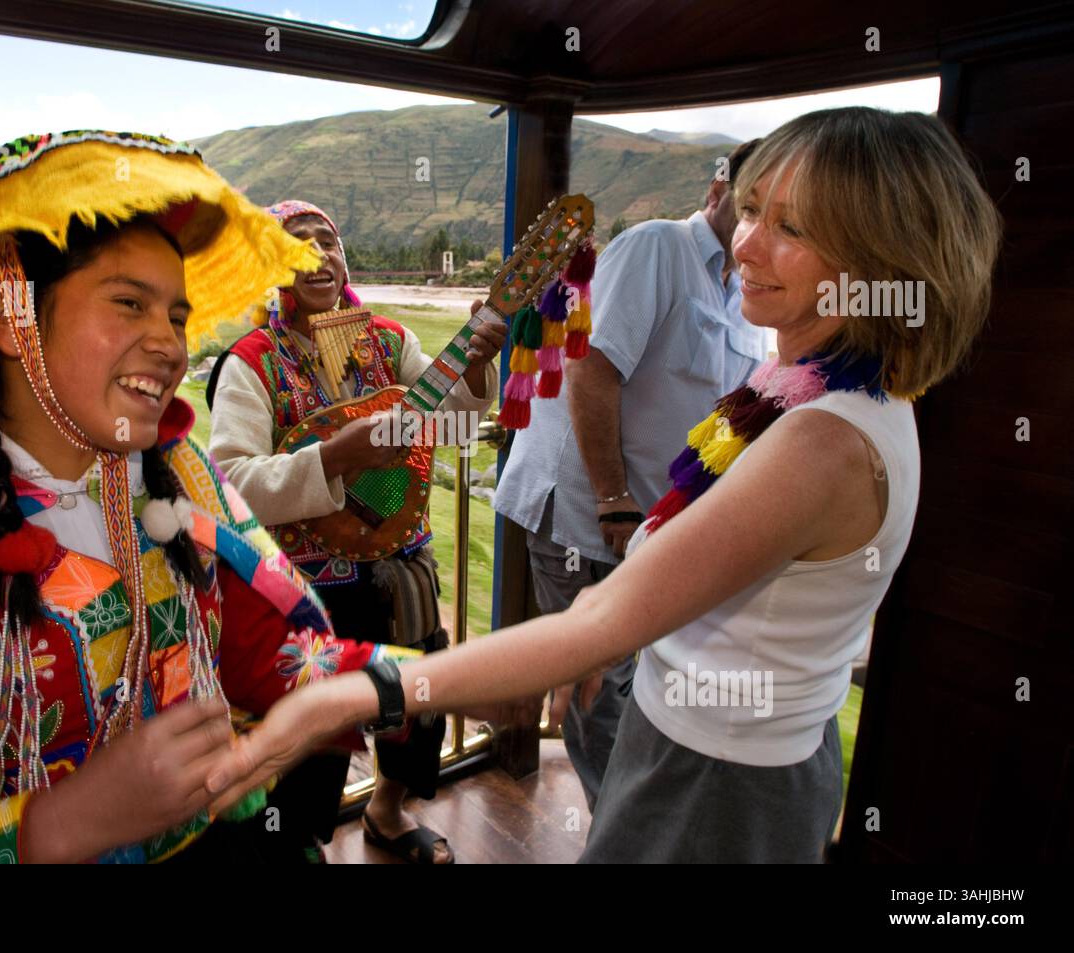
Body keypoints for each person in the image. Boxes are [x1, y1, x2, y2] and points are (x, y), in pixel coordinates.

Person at [198, 107, 1004, 863]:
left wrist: (352, 695)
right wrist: (620, 628)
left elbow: (601, 593)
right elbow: (675, 567)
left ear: (884, 262)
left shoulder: (824, 438)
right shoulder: (799, 382)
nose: (748, 244)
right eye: (752, 209)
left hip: (718, 772)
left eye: (790, 226)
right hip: (693, 733)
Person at [0, 131, 414, 864]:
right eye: (128, 303)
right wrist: (57, 823)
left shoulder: (183, 476)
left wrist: (427, 682)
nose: (171, 345)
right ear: (12, 316)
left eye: (175, 315)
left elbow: (276, 657)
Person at [206, 199, 505, 863]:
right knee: (311, 727)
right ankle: (301, 843)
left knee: (413, 700)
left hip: (400, 563)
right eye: (298, 242)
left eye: (329, 240)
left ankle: (385, 809)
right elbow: (229, 482)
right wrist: (333, 458)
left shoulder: (388, 341)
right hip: (305, 588)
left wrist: (477, 360)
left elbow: (453, 410)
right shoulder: (250, 363)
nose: (318, 252)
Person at [495, 138, 767, 809]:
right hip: (589, 518)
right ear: (716, 191)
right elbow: (593, 368)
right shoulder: (658, 249)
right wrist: (614, 500)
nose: (760, 225)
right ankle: (623, 833)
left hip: (653, 529)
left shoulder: (743, 293)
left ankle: (631, 825)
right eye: (752, 202)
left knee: (634, 683)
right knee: (599, 692)